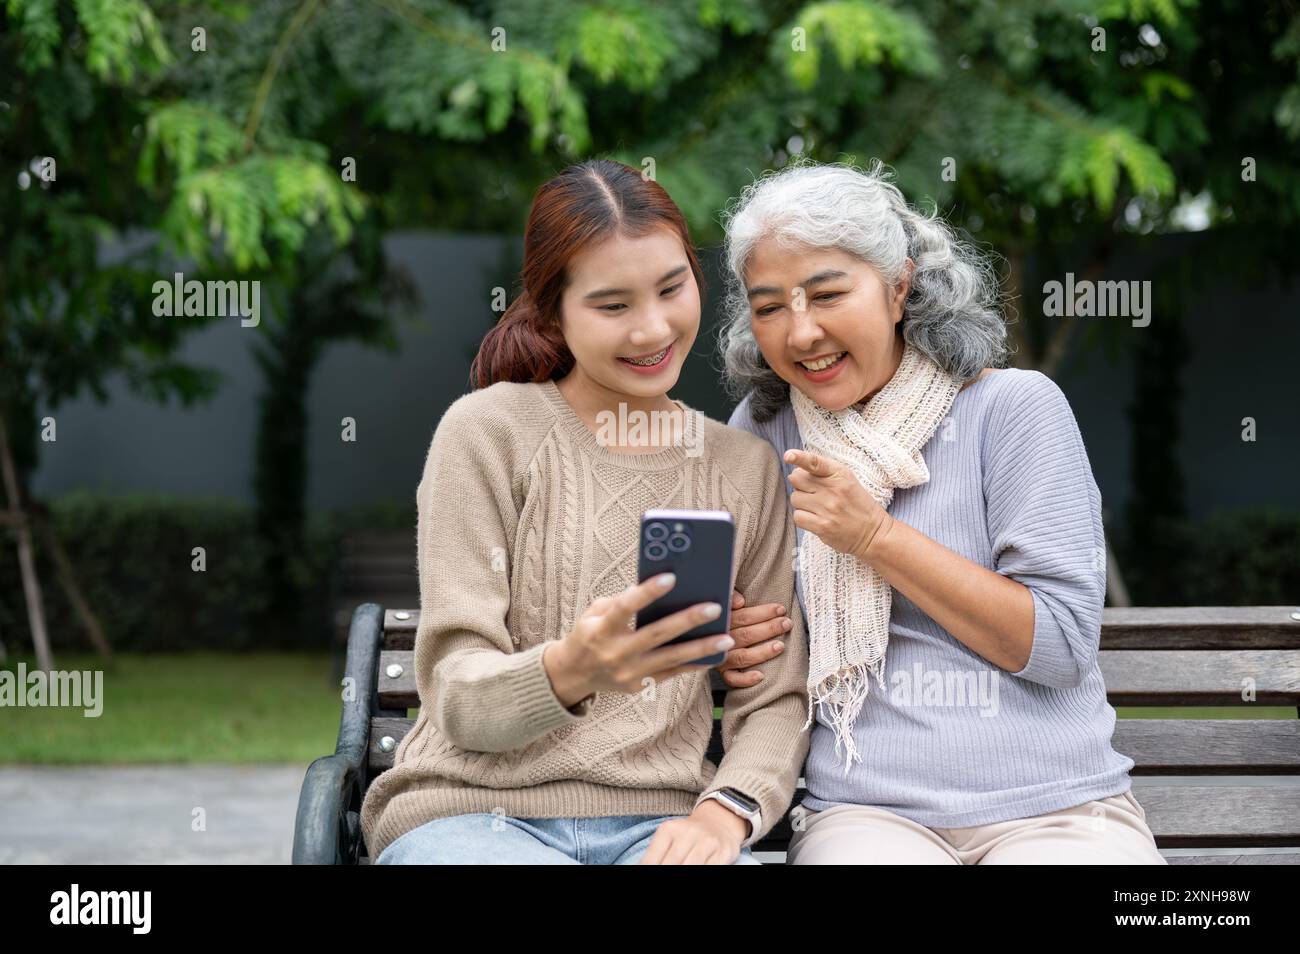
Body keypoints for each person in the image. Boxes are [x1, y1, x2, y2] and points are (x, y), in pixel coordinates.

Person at [359, 159, 810, 865]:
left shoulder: (744, 467)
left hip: (659, 824)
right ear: (552, 313)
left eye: (671, 287)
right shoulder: (486, 433)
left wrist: (725, 815)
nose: (653, 328)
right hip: (474, 818)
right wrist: (574, 667)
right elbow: (456, 691)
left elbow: (776, 700)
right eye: (613, 305)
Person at [717, 159, 1165, 864]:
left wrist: (874, 537)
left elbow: (1059, 649)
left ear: (899, 288)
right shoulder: (765, 430)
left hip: (1056, 809)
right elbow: (746, 627)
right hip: (867, 813)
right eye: (769, 306)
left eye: (827, 294)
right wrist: (735, 640)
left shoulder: (1013, 410)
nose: (800, 333)